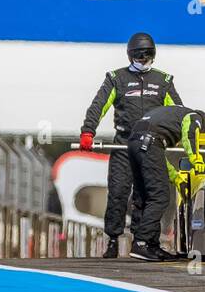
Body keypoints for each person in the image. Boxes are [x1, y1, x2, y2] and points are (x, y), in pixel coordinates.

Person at [78, 32, 184, 257]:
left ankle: (143, 241)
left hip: (151, 146)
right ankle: (113, 240)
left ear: (153, 56)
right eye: (139, 56)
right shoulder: (116, 78)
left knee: (146, 194)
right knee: (117, 191)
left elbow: (178, 113)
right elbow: (98, 105)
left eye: (147, 56)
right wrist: (88, 131)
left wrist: (184, 138)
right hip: (124, 144)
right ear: (130, 56)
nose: (143, 60)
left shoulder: (164, 81)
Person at [124, 104, 205, 262]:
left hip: (135, 143)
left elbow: (158, 160)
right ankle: (142, 242)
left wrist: (176, 177)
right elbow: (190, 134)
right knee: (160, 196)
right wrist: (196, 159)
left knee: (144, 196)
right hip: (149, 142)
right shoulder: (194, 117)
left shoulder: (168, 118)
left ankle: (150, 246)